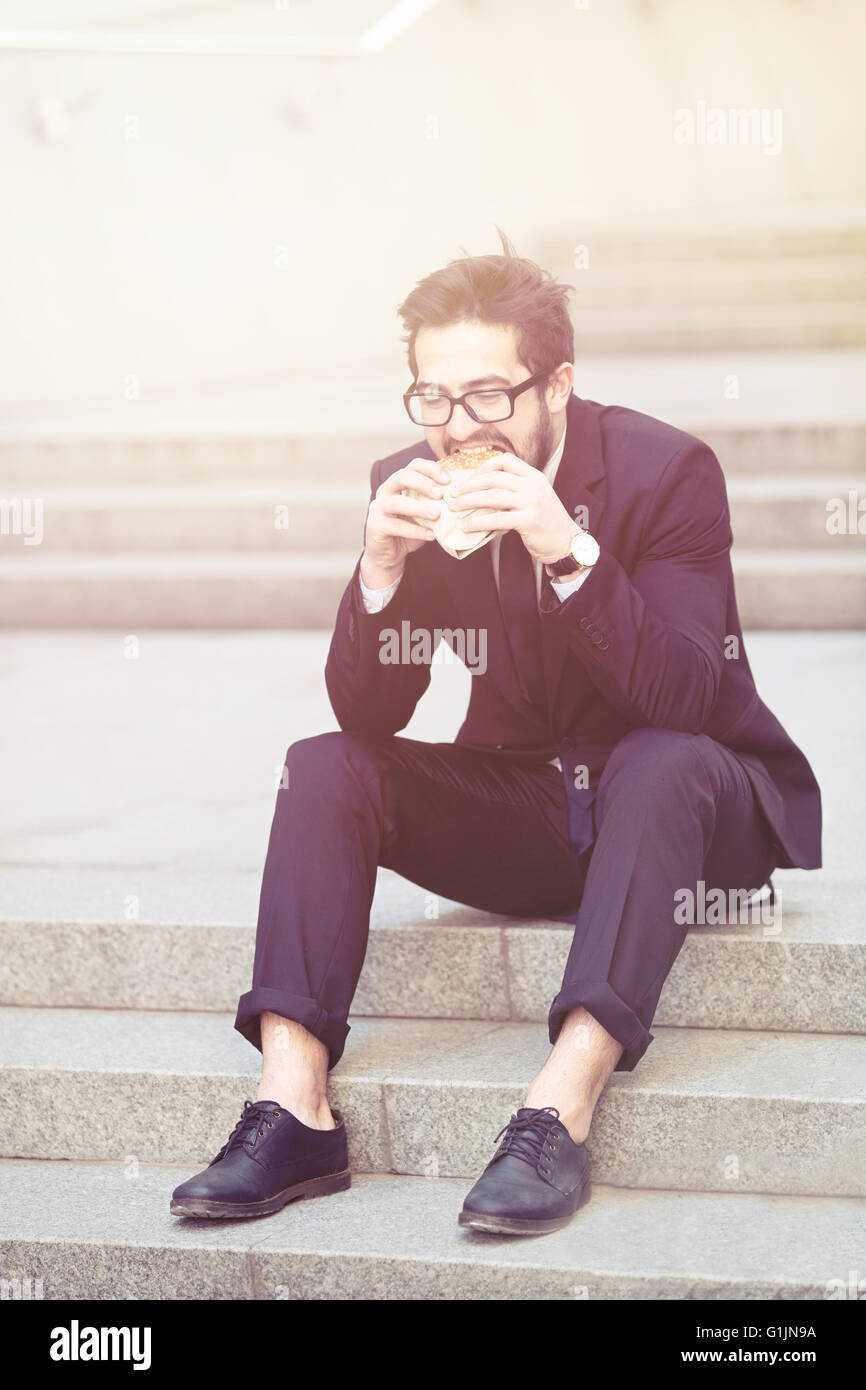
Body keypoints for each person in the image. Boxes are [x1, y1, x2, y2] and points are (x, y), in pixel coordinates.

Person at [171, 235, 821, 1234]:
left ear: (555, 385)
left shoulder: (664, 471)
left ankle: (555, 1111)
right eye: (431, 398)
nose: (455, 426)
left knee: (658, 759)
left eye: (485, 396)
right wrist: (378, 570)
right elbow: (370, 716)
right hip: (529, 807)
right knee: (320, 766)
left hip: (693, 815)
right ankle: (292, 1105)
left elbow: (689, 696)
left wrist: (566, 550)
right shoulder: (411, 478)